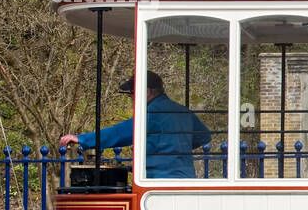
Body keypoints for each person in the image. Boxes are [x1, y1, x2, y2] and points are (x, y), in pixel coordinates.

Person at [59, 71, 210, 178]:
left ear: (148, 92)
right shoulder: (182, 111)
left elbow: (119, 133)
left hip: (159, 179)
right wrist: (175, 147)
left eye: (132, 92)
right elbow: (204, 136)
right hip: (187, 178)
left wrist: (83, 139)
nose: (130, 96)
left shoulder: (152, 113)